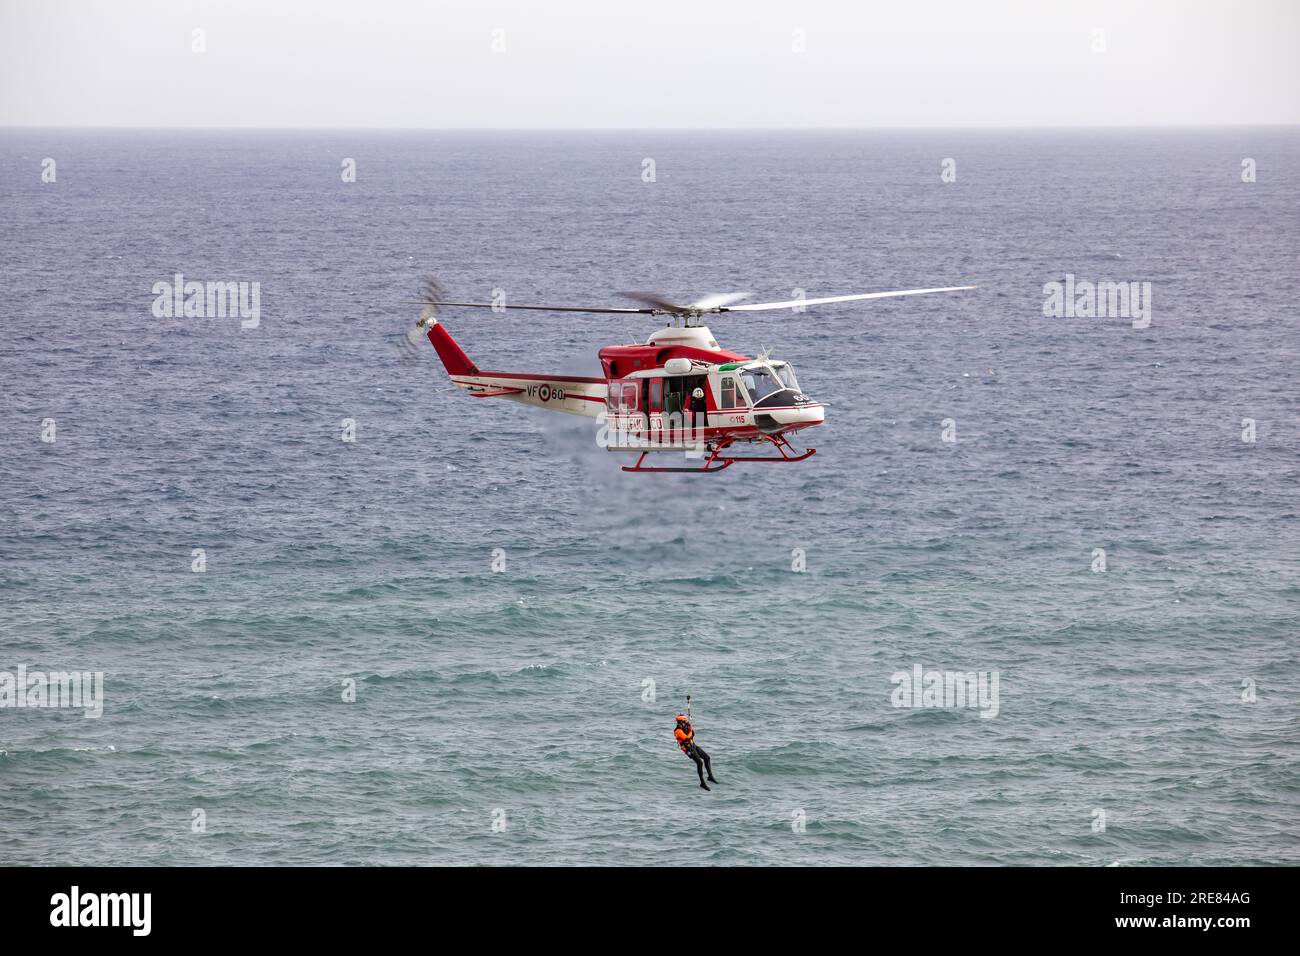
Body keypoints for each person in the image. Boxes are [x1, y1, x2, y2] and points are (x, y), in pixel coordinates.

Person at [674, 713, 717, 790]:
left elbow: (692, 734)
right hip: (688, 749)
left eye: (686, 721)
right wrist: (691, 730)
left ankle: (710, 776)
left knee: (707, 758)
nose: (686, 722)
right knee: (700, 763)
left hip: (693, 745)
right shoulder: (678, 731)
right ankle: (702, 782)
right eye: (684, 721)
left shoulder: (686, 726)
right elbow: (687, 738)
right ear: (680, 722)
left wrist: (690, 728)